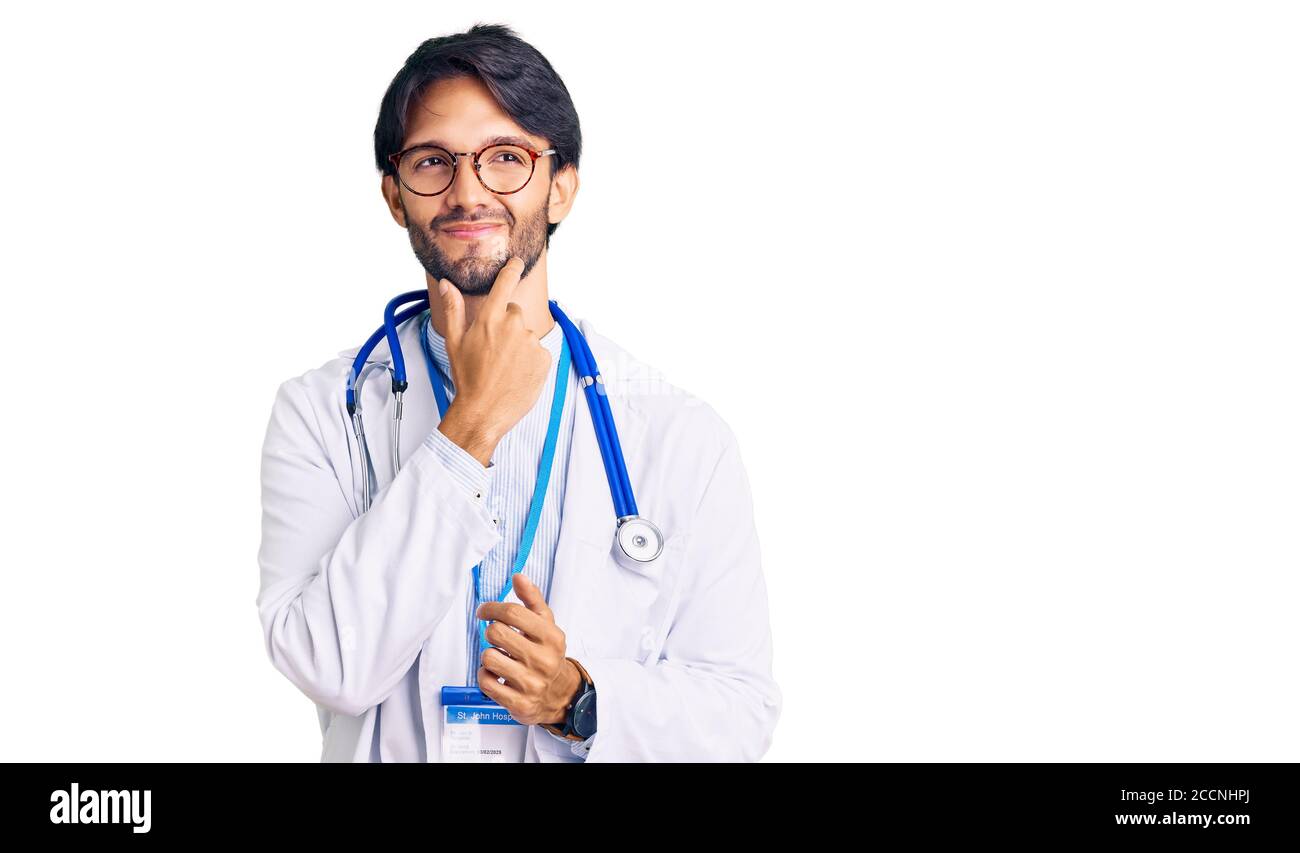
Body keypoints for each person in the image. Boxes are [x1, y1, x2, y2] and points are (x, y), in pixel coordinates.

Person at [255, 23, 780, 762]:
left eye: (506, 157)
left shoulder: (677, 432)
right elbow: (329, 664)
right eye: (433, 161)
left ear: (560, 186)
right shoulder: (323, 413)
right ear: (394, 195)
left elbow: (740, 712)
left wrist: (578, 696)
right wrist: (468, 428)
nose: (468, 191)